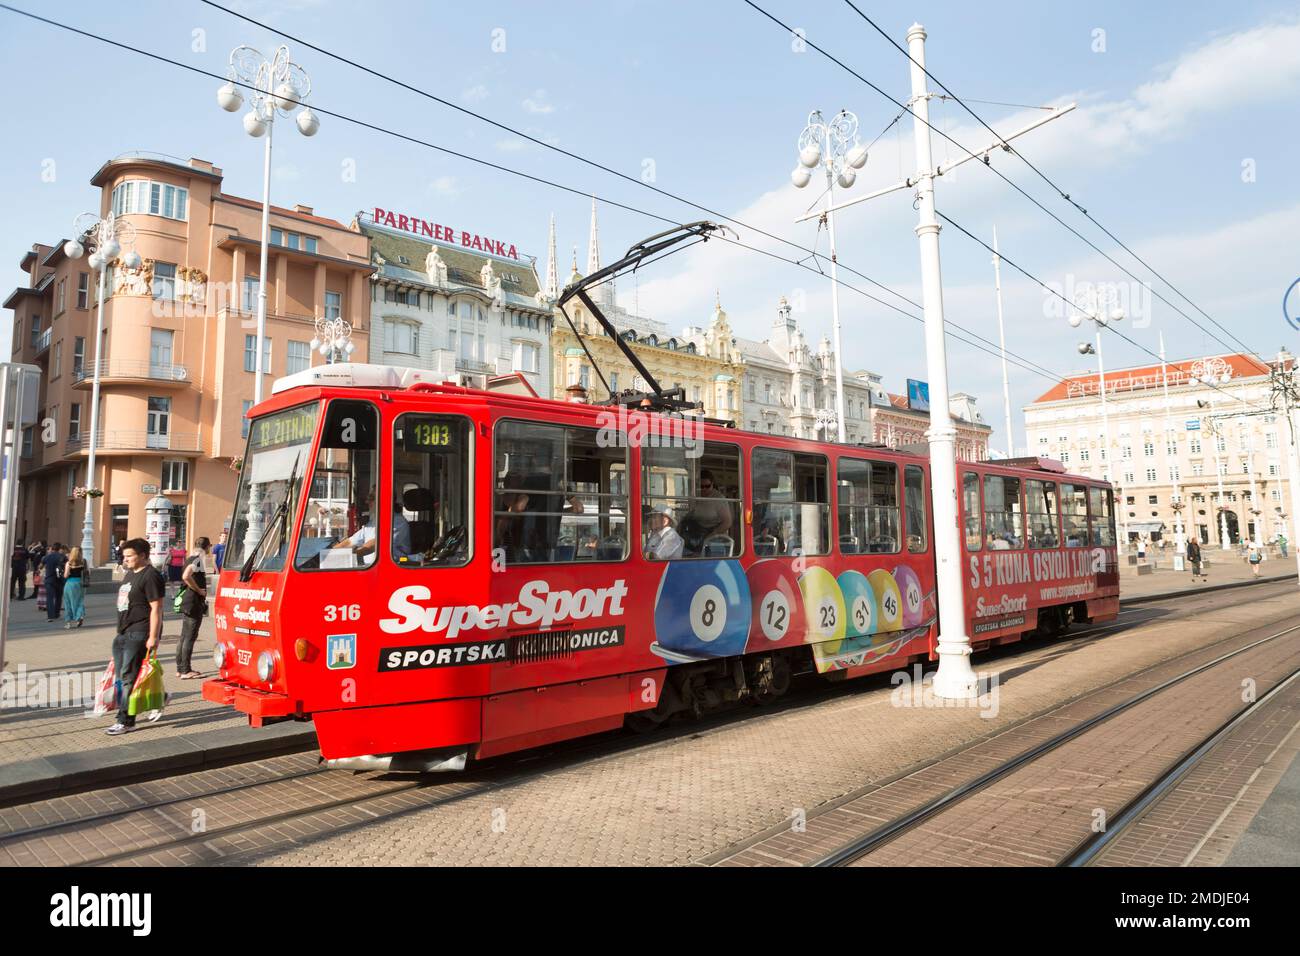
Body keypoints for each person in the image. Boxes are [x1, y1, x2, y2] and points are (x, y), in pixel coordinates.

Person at [107, 538, 165, 736]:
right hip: (123, 632)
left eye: (129, 556)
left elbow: (156, 608)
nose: (126, 559)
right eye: (124, 556)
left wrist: (153, 636)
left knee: (128, 678)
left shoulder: (151, 576)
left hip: (140, 631)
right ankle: (160, 697)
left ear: (142, 555)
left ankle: (126, 721)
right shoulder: (131, 573)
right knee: (123, 676)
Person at [331, 487, 410, 564]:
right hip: (371, 567)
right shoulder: (373, 522)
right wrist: (330, 553)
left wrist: (349, 555)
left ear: (385, 500)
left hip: (392, 569)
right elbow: (350, 542)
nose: (367, 502)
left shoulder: (398, 522)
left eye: (371, 498)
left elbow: (376, 544)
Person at [176, 537, 210, 679]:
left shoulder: (190, 558)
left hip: (188, 602)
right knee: (189, 637)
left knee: (184, 637)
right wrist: (199, 590)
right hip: (193, 602)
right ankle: (185, 671)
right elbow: (186, 576)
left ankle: (180, 668)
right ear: (207, 547)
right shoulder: (196, 560)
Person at [41, 543, 67, 623]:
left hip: (49, 580)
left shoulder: (47, 557)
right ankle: (56, 613)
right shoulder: (63, 557)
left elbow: (40, 566)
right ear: (59, 548)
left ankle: (50, 616)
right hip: (59, 579)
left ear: (52, 548)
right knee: (58, 597)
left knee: (50, 598)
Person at [62, 546, 87, 628]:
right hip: (80, 583)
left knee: (68, 602)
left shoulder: (69, 563)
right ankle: (79, 617)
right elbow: (88, 572)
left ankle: (68, 622)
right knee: (80, 601)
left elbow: (66, 575)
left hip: (70, 583)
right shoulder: (84, 562)